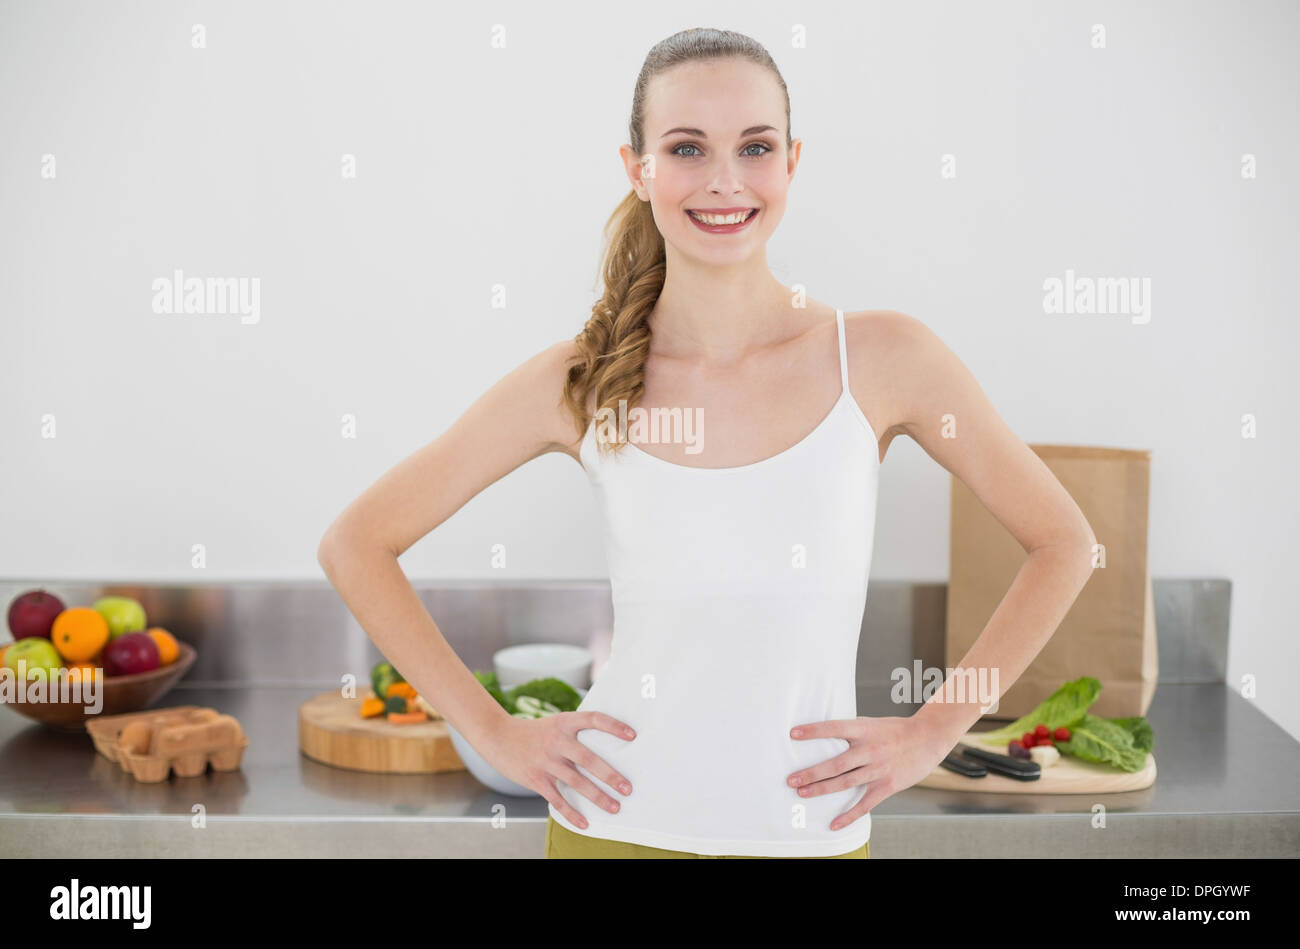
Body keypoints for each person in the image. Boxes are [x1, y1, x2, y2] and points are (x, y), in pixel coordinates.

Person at [317, 27, 1097, 859]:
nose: (725, 181)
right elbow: (356, 544)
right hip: (613, 832)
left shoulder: (883, 359)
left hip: (812, 839)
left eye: (754, 147)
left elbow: (1064, 543)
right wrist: (494, 730)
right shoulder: (579, 379)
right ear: (638, 169)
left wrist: (933, 730)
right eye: (687, 148)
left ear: (792, 161)